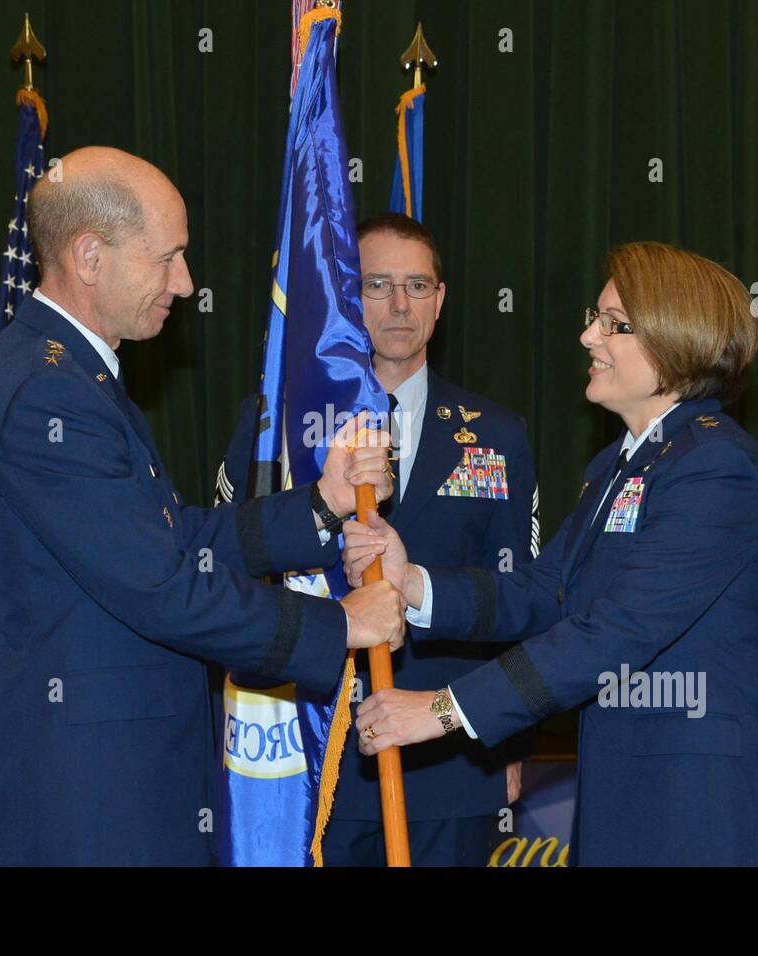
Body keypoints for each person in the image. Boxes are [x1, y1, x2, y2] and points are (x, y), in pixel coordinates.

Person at [0, 147, 404, 865]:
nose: (187, 283)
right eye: (168, 258)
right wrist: (339, 625)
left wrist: (319, 506)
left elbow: (175, 543)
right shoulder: (49, 392)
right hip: (93, 799)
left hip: (114, 779)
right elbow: (163, 587)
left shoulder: (73, 373)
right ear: (90, 255)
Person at [345, 241, 758, 866]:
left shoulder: (715, 469)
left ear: (677, 339)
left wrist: (442, 710)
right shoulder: (621, 465)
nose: (589, 335)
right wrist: (413, 582)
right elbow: (542, 592)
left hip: (700, 811)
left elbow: (616, 631)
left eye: (614, 324)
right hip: (629, 795)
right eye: (596, 316)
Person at [215, 213, 539, 866]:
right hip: (307, 752)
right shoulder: (274, 425)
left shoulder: (498, 434)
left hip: (450, 756)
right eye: (377, 285)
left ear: (440, 300)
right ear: (343, 297)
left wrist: (509, 733)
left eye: (418, 286)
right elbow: (227, 568)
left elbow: (524, 597)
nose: (399, 305)